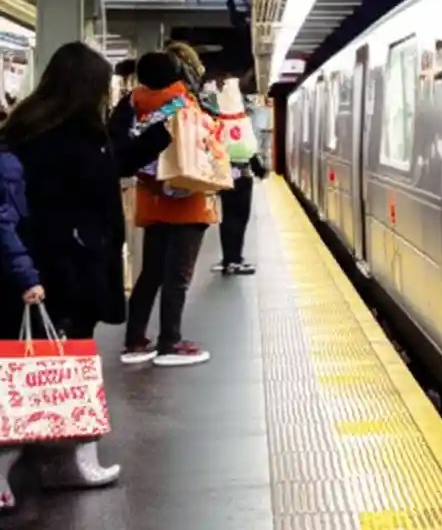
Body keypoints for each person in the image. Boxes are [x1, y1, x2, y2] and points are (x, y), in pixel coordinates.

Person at [0, 41, 173, 505]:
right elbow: (83, 190)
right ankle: (65, 459)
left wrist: (154, 139)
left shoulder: (32, 128)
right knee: (64, 363)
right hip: (64, 268)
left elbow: (107, 166)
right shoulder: (70, 137)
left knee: (41, 364)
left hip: (49, 266)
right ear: (86, 89)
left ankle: (51, 456)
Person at [112, 47, 216, 366]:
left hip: (151, 199)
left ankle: (135, 340)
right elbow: (206, 146)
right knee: (178, 276)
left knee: (151, 273)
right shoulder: (183, 104)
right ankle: (170, 341)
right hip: (187, 198)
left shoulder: (131, 104)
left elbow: (119, 147)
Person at [208, 73, 267, 275]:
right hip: (241, 175)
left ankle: (229, 259)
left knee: (229, 218)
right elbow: (248, 149)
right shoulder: (239, 123)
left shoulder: (219, 121)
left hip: (224, 172)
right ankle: (234, 260)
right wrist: (258, 167)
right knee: (238, 218)